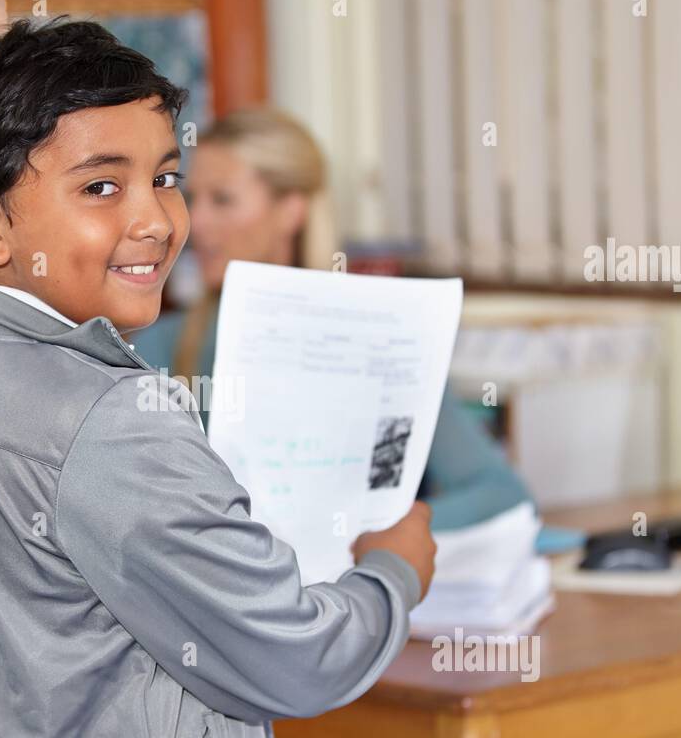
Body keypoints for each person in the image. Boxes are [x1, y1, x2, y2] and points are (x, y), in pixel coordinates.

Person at [0, 17, 436, 738]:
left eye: (165, 177)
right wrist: (392, 574)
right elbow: (298, 657)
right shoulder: (111, 420)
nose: (158, 221)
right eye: (100, 187)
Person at [132, 106, 531, 531]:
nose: (197, 223)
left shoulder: (373, 340)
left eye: (223, 200)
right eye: (192, 200)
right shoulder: (154, 347)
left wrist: (375, 537)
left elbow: (500, 492)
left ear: (291, 211)